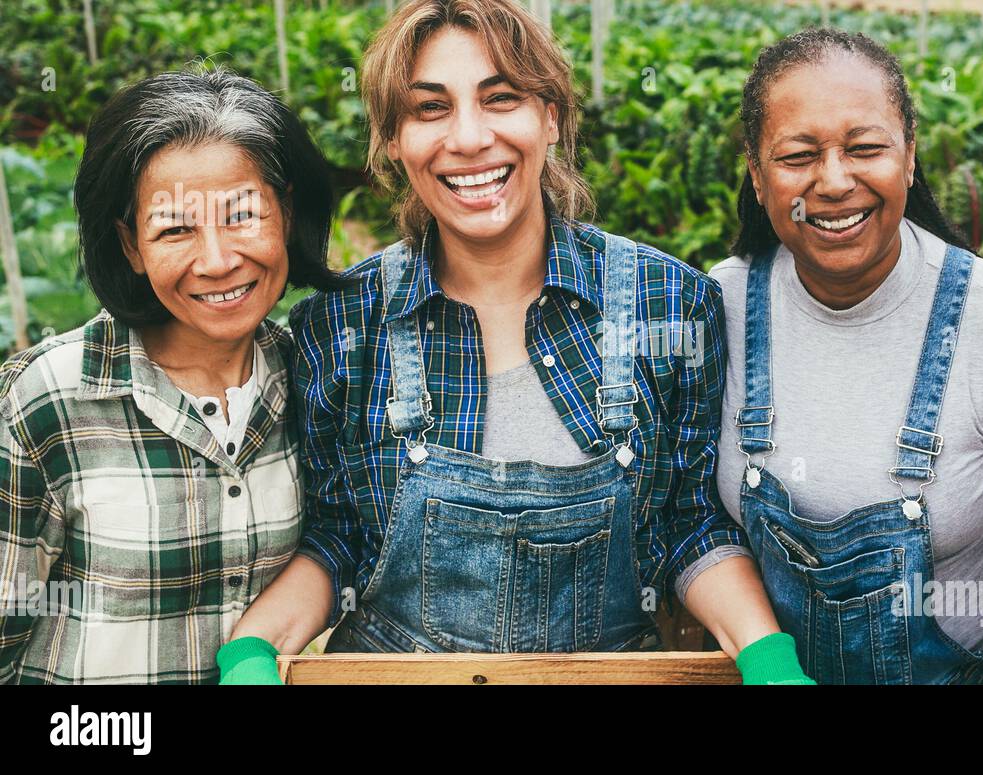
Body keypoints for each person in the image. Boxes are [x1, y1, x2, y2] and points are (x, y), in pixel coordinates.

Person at [217, 0, 810, 685]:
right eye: (429, 108)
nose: (469, 137)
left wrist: (769, 657)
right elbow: (340, 537)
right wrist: (253, 648)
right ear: (392, 141)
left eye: (501, 98)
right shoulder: (342, 323)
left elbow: (687, 525)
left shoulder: (667, 302)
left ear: (550, 117)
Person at [706, 28, 983, 684]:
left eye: (865, 148)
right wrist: (765, 661)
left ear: (909, 156)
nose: (834, 180)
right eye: (797, 155)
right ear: (758, 175)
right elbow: (693, 522)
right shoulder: (723, 304)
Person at [0, 68, 347, 683]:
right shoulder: (46, 399)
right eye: (174, 229)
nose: (216, 260)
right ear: (130, 245)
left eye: (243, 215)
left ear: (286, 214)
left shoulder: (312, 378)